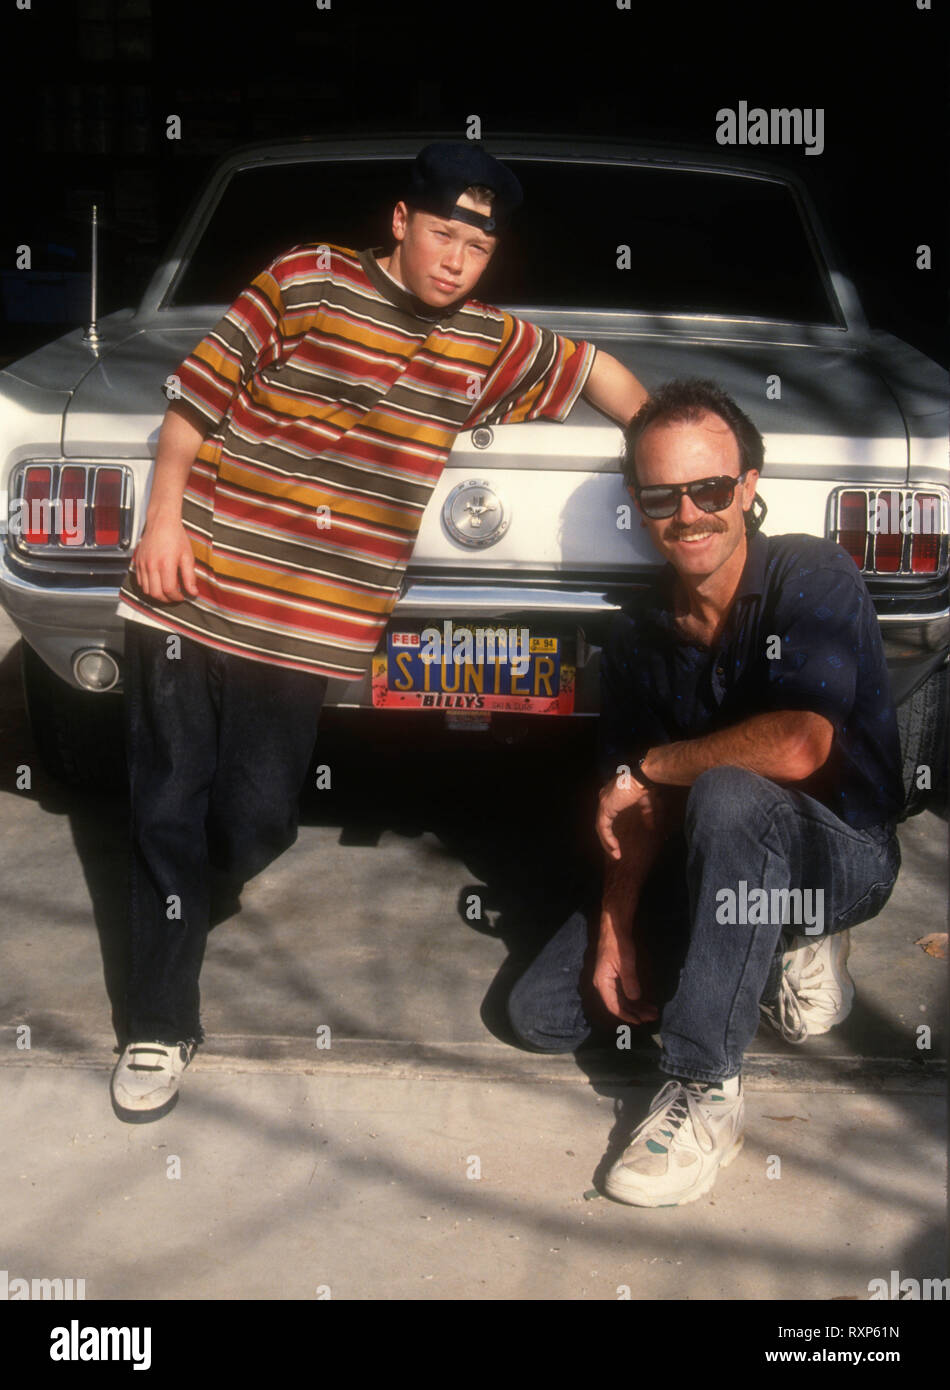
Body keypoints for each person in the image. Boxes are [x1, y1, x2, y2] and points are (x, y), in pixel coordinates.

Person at [109, 140, 648, 1122]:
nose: (454, 260)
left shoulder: (485, 341)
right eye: (442, 233)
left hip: (305, 627)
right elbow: (195, 398)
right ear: (401, 221)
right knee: (165, 808)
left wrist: (664, 457)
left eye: (476, 247)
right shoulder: (304, 278)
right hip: (194, 582)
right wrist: (161, 523)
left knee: (259, 814)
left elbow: (601, 372)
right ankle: (158, 1020)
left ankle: (185, 894)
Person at [507, 378, 905, 1206]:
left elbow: (800, 744)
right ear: (638, 503)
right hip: (712, 864)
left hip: (841, 857)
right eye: (663, 495)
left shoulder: (812, 573)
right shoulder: (641, 636)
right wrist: (616, 924)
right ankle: (753, 959)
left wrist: (655, 765)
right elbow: (635, 813)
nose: (689, 514)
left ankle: (706, 1086)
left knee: (729, 792)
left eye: (711, 490)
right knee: (544, 1013)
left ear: (748, 488)